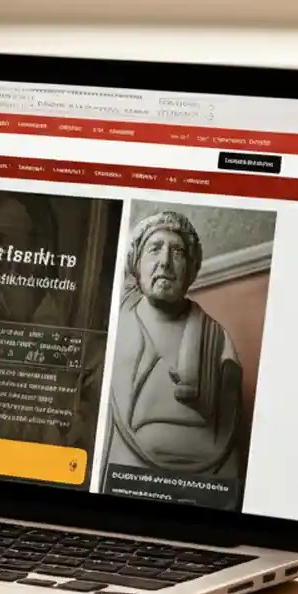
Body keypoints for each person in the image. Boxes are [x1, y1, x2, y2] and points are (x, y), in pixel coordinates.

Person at [104, 211, 244, 507]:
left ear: (190, 269)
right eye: (155, 249)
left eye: (177, 251)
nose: (165, 262)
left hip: (201, 493)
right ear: (137, 265)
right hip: (123, 488)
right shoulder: (112, 332)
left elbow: (230, 433)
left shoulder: (216, 340)